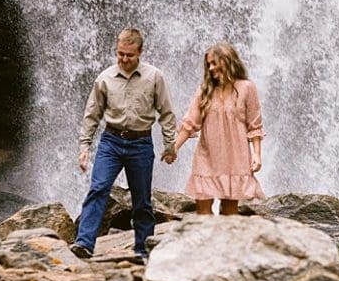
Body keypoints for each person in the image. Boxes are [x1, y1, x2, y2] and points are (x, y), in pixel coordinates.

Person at [72, 27, 177, 258]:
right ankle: (84, 243)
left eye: (129, 55)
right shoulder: (105, 78)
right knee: (98, 189)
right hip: (111, 141)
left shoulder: (154, 77)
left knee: (141, 200)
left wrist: (170, 146)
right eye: (120, 54)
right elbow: (92, 114)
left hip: (140, 143)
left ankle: (143, 249)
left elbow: (166, 113)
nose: (124, 59)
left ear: (140, 52)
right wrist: (84, 147)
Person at [176, 42, 264, 214]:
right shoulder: (205, 90)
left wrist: (256, 154)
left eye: (215, 63)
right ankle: (207, 240)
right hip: (207, 156)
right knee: (202, 210)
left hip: (235, 158)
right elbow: (190, 123)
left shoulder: (247, 88)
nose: (211, 68)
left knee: (230, 212)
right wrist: (174, 147)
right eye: (209, 64)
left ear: (228, 61)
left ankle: (225, 241)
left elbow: (254, 125)